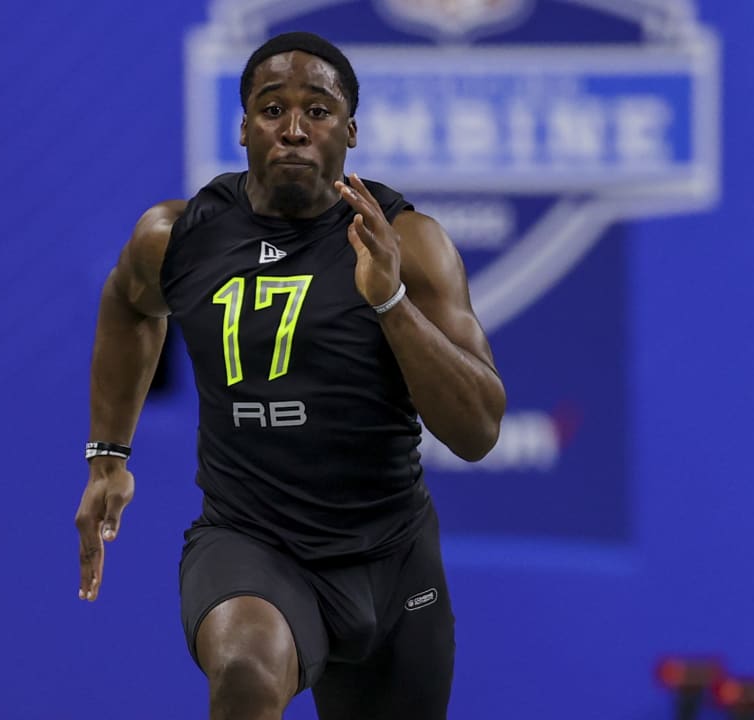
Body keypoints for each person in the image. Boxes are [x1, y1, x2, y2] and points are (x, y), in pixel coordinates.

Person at [73, 31, 506, 720]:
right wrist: (108, 458)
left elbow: (479, 431)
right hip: (252, 543)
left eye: (319, 111)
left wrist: (390, 302)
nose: (295, 129)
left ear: (351, 131)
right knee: (247, 670)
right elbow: (128, 304)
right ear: (244, 127)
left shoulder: (410, 243)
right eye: (273, 109)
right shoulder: (178, 237)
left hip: (391, 560)